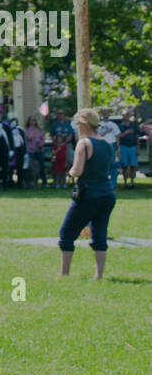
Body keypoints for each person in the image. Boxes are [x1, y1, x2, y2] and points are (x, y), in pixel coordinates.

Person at [57, 108, 117, 280]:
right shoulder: (106, 143)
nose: (76, 128)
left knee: (66, 234)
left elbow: (77, 171)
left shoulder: (84, 144)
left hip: (88, 195)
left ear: (83, 124)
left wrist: (70, 173)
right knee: (99, 235)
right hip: (107, 194)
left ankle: (64, 274)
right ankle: (99, 275)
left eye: (77, 124)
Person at [97, 109, 121, 190]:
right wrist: (106, 131)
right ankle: (102, 183)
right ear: (102, 115)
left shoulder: (113, 125)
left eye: (107, 113)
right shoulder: (99, 125)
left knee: (112, 165)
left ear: (109, 115)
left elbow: (117, 137)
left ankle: (113, 184)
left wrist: (118, 148)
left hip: (112, 145)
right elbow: (97, 135)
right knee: (102, 165)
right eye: (104, 113)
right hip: (102, 145)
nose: (106, 115)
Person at [50, 109, 75, 189]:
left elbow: (71, 134)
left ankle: (70, 180)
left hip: (67, 145)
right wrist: (57, 143)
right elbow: (52, 135)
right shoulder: (55, 125)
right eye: (59, 113)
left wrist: (64, 143)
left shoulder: (68, 124)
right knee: (57, 168)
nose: (60, 115)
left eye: (62, 113)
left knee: (70, 161)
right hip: (57, 146)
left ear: (64, 115)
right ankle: (57, 183)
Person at [118, 112, 141, 189]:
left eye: (127, 115)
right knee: (124, 166)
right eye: (124, 115)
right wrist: (126, 133)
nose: (125, 117)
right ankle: (125, 183)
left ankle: (132, 182)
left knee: (133, 166)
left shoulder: (134, 125)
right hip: (123, 147)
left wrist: (138, 148)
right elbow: (118, 137)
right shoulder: (120, 126)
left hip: (133, 147)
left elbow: (137, 138)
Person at [25, 115, 47, 186]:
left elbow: (43, 139)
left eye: (34, 120)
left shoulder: (39, 130)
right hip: (31, 150)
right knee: (32, 167)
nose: (33, 121)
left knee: (41, 166)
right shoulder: (26, 130)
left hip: (39, 150)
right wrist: (33, 135)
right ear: (29, 121)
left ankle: (44, 182)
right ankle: (33, 182)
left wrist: (41, 144)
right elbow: (27, 138)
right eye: (31, 120)